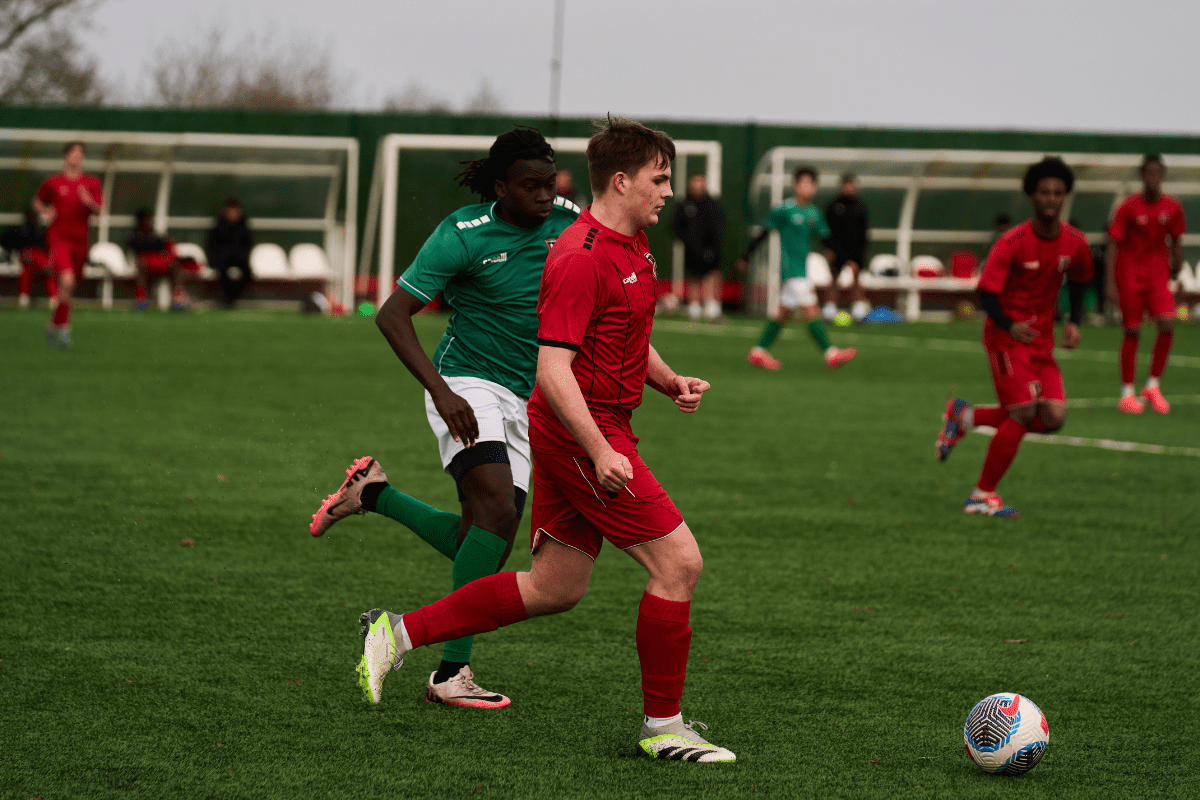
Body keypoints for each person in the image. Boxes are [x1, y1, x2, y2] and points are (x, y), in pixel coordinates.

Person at [350, 116, 736, 763]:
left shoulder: (633, 244)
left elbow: (625, 334)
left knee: (555, 587)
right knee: (679, 565)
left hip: (596, 428)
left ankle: (398, 632)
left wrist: (667, 380)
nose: (669, 191)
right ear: (622, 180)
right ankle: (663, 727)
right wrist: (600, 448)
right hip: (581, 432)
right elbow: (554, 368)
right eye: (659, 178)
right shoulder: (579, 255)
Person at [310, 127, 579, 709]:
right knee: (497, 510)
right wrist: (441, 390)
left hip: (529, 395)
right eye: (529, 185)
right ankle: (450, 674)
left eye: (548, 183)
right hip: (466, 384)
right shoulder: (463, 233)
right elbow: (392, 314)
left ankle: (375, 494)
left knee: (485, 538)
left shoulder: (568, 218)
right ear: (501, 186)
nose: (543, 195)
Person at [935, 157, 1093, 518]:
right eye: (1044, 192)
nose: (1051, 199)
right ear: (1031, 196)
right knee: (1022, 413)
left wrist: (1074, 321)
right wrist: (1009, 325)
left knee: (1052, 418)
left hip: (1041, 343)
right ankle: (981, 494)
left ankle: (965, 418)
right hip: (1005, 338)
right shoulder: (1013, 242)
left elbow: (1082, 277)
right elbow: (986, 293)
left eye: (1058, 193)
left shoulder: (1074, 242)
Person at [737, 166, 857, 371]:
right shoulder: (784, 210)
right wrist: (746, 256)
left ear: (815, 188)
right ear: (795, 186)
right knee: (811, 309)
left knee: (783, 313)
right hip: (791, 270)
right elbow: (764, 233)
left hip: (802, 269)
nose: (806, 188)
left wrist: (847, 260)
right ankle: (831, 353)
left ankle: (758, 352)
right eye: (802, 183)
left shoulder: (814, 213)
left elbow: (827, 240)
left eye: (810, 184)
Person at [1105, 154, 1187, 414]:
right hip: (1129, 274)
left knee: (1167, 323)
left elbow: (1176, 240)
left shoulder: (1172, 207)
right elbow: (1113, 244)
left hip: (1158, 275)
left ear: (1162, 176)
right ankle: (1127, 392)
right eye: (1148, 173)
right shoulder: (1128, 207)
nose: (1153, 178)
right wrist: (1109, 283)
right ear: (1142, 176)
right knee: (1132, 331)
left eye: (1157, 173)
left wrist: (1177, 267)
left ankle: (1152, 385)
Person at [33, 141, 102, 347]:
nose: (77, 157)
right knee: (67, 280)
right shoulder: (53, 182)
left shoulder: (91, 183)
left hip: (80, 240)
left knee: (68, 288)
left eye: (80, 153)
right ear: (66, 156)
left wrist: (88, 201)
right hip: (59, 238)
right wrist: (46, 212)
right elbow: (37, 202)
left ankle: (57, 325)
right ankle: (63, 328)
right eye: (74, 153)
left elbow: (99, 210)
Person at [672, 173, 726, 321]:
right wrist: (688, 243)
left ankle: (713, 308)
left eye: (700, 182)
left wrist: (713, 247)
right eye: (695, 182)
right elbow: (676, 227)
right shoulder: (684, 205)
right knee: (694, 278)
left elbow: (719, 227)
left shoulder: (713, 205)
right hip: (692, 250)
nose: (698, 185)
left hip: (712, 249)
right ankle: (694, 308)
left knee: (714, 275)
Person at [822, 174, 870, 322]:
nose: (850, 188)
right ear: (842, 186)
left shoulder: (860, 206)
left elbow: (863, 231)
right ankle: (829, 309)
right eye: (847, 185)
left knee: (856, 278)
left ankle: (858, 310)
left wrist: (860, 252)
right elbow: (825, 230)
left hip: (855, 250)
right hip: (837, 249)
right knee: (834, 278)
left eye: (852, 185)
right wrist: (830, 248)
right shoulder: (834, 205)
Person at [128, 209, 189, 311]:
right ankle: (141, 300)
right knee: (141, 264)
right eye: (147, 220)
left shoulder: (155, 236)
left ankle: (178, 300)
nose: (150, 223)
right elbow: (139, 250)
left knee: (175, 266)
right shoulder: (135, 237)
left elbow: (162, 247)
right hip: (144, 266)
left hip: (157, 264)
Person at [2, 208, 55, 309]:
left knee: (29, 270)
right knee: (45, 266)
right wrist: (12, 254)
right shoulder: (20, 230)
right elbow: (6, 243)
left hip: (36, 260)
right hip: (25, 256)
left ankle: (24, 298)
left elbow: (47, 247)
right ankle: (52, 298)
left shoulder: (40, 231)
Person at [205, 199, 253, 306]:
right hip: (222, 259)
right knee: (222, 272)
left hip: (239, 259)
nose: (233, 214)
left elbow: (248, 245)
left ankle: (233, 297)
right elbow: (212, 246)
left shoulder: (244, 226)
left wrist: (241, 256)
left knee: (247, 272)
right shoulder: (218, 226)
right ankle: (228, 299)